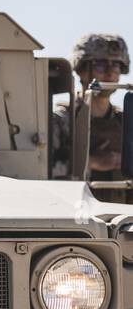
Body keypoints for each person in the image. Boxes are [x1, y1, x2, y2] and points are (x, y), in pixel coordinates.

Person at [51, 34, 128, 198]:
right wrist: (93, 162)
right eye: (100, 65)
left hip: (121, 217)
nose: (109, 73)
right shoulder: (60, 121)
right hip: (75, 215)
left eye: (115, 65)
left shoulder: (125, 122)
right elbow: (39, 171)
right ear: (81, 70)